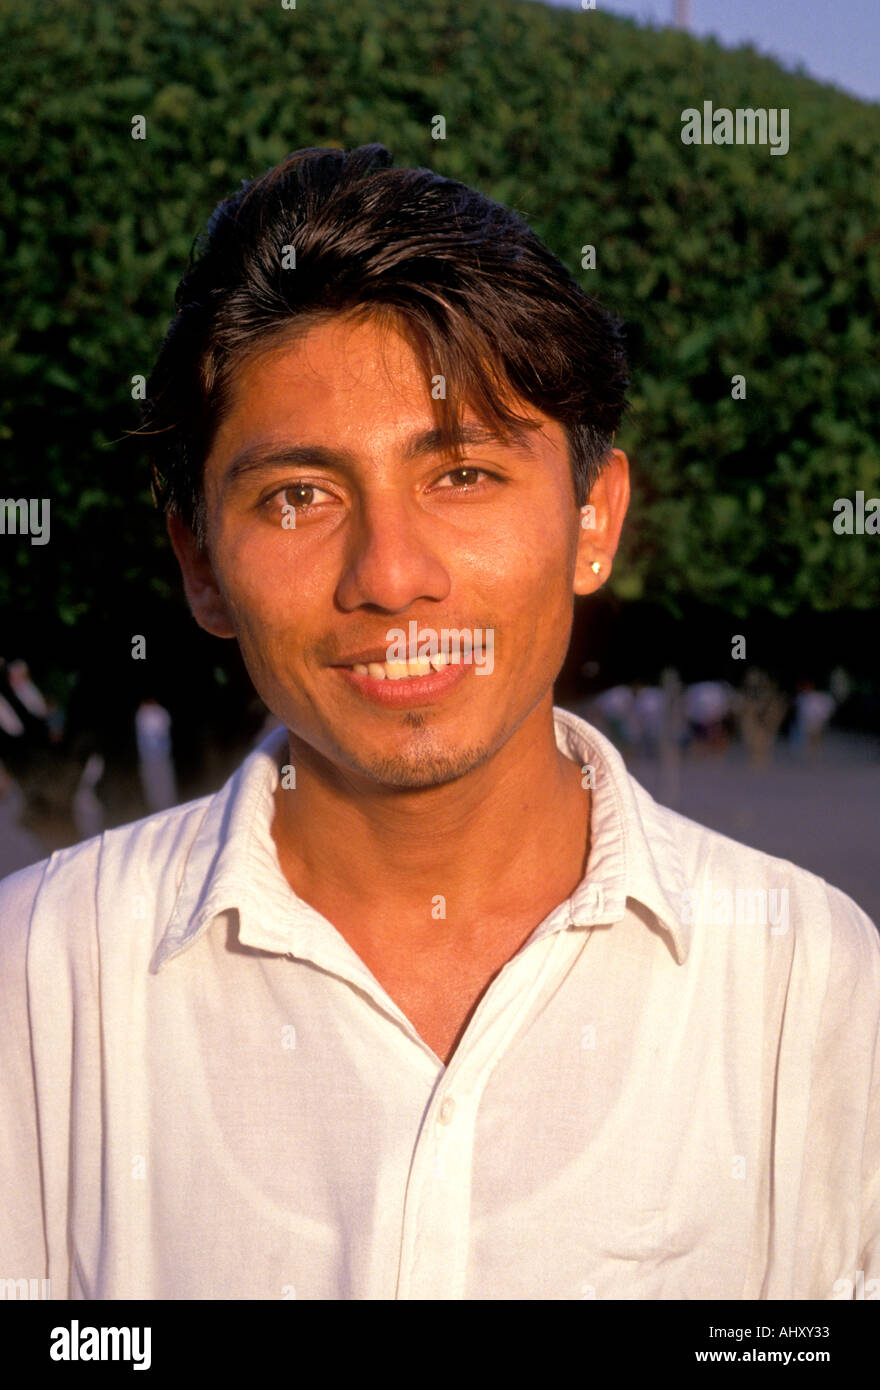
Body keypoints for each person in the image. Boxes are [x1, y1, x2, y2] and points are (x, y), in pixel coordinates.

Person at [1, 144, 877, 1301]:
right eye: (297, 496)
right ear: (201, 566)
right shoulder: (41, 978)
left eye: (460, 474)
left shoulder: (806, 981)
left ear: (592, 518)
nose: (391, 574)